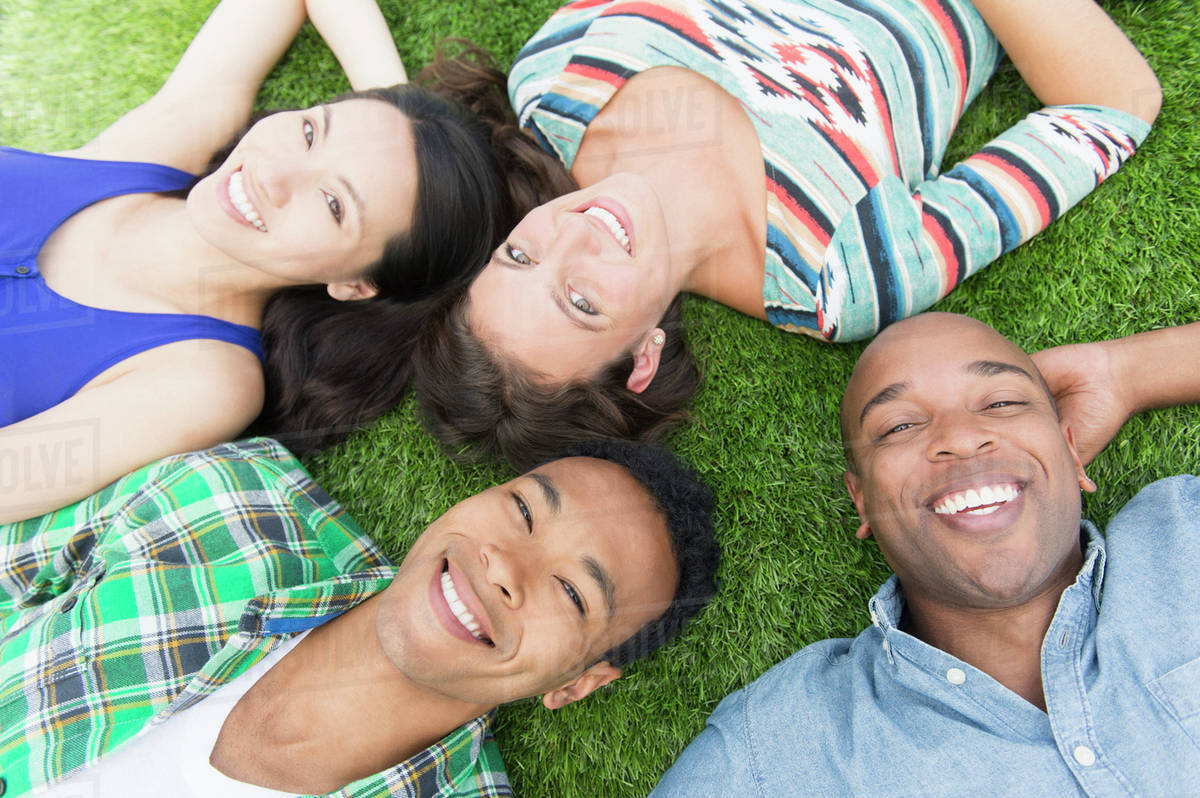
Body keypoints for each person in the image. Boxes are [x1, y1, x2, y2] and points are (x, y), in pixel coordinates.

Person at [412, 0, 1163, 471]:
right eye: (579, 300)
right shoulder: (842, 271)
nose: (573, 237)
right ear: (643, 358)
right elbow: (1111, 104)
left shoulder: (558, 77)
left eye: (520, 255)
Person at [0, 0, 517, 524]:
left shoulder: (206, 380)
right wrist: (402, 111)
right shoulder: (160, 143)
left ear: (356, 283)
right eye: (313, 131)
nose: (273, 173)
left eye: (335, 204)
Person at [651, 312, 1200, 795]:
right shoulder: (780, 747)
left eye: (1002, 402)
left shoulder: (1182, 532)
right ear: (862, 501)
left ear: (1071, 450)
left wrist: (1120, 373)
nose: (961, 438)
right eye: (900, 426)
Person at [0, 436, 719, 797]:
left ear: (576, 683)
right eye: (524, 509)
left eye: (572, 594)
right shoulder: (225, 500)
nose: (505, 565)